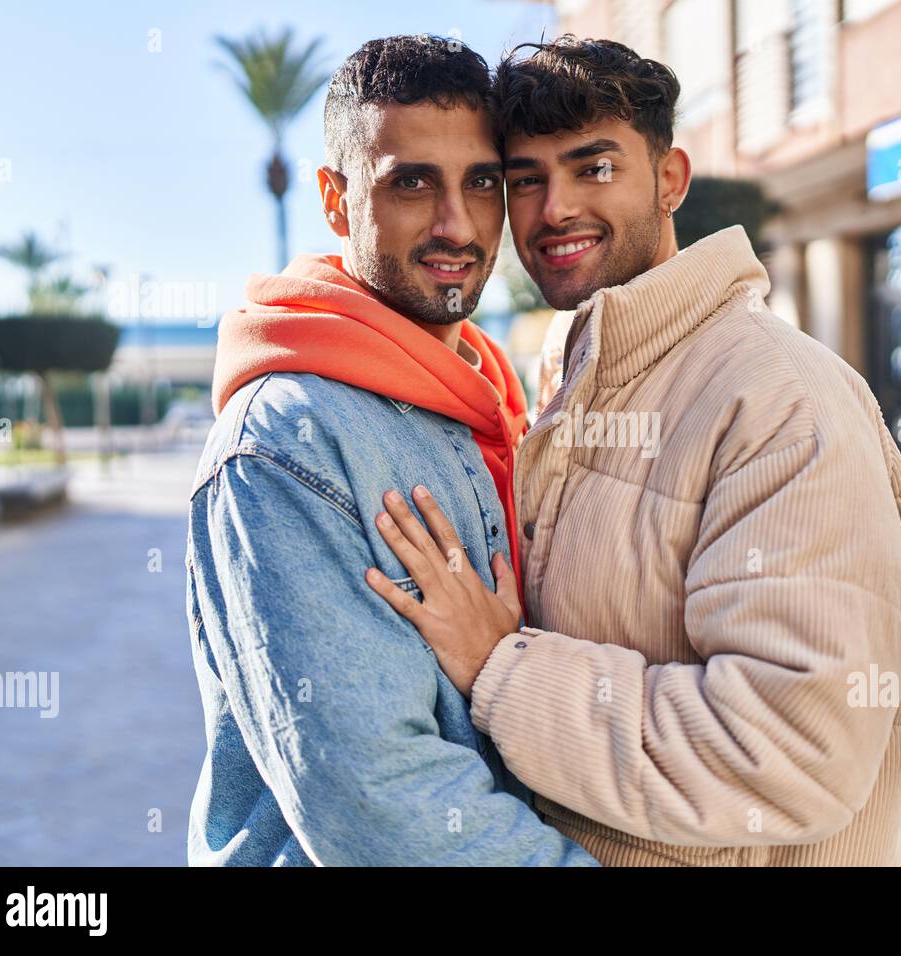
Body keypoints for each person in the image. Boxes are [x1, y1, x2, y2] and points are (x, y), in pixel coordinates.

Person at [365, 36, 901, 867]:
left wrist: (500, 667)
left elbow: (794, 753)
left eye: (594, 168)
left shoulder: (779, 400)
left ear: (670, 180)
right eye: (527, 179)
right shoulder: (568, 374)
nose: (554, 210)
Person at [184, 35, 595, 867]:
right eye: (411, 183)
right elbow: (382, 802)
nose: (455, 224)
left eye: (481, 182)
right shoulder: (284, 440)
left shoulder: (496, 399)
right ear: (336, 201)